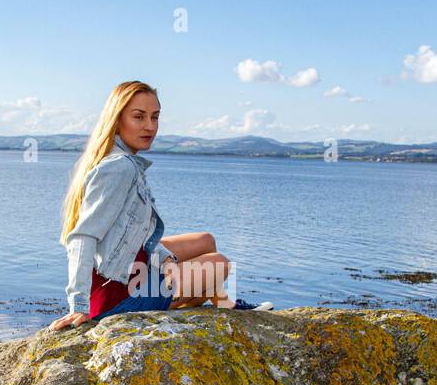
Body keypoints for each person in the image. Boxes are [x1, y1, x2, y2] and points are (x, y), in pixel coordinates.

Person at [47, 80, 270, 331]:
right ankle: (211, 304)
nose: (150, 126)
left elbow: (136, 234)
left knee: (206, 241)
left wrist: (166, 261)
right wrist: (78, 306)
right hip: (119, 297)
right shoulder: (119, 167)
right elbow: (82, 237)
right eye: (139, 117)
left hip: (130, 268)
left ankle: (222, 303)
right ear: (117, 119)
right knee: (218, 263)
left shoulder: (122, 160)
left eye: (155, 117)